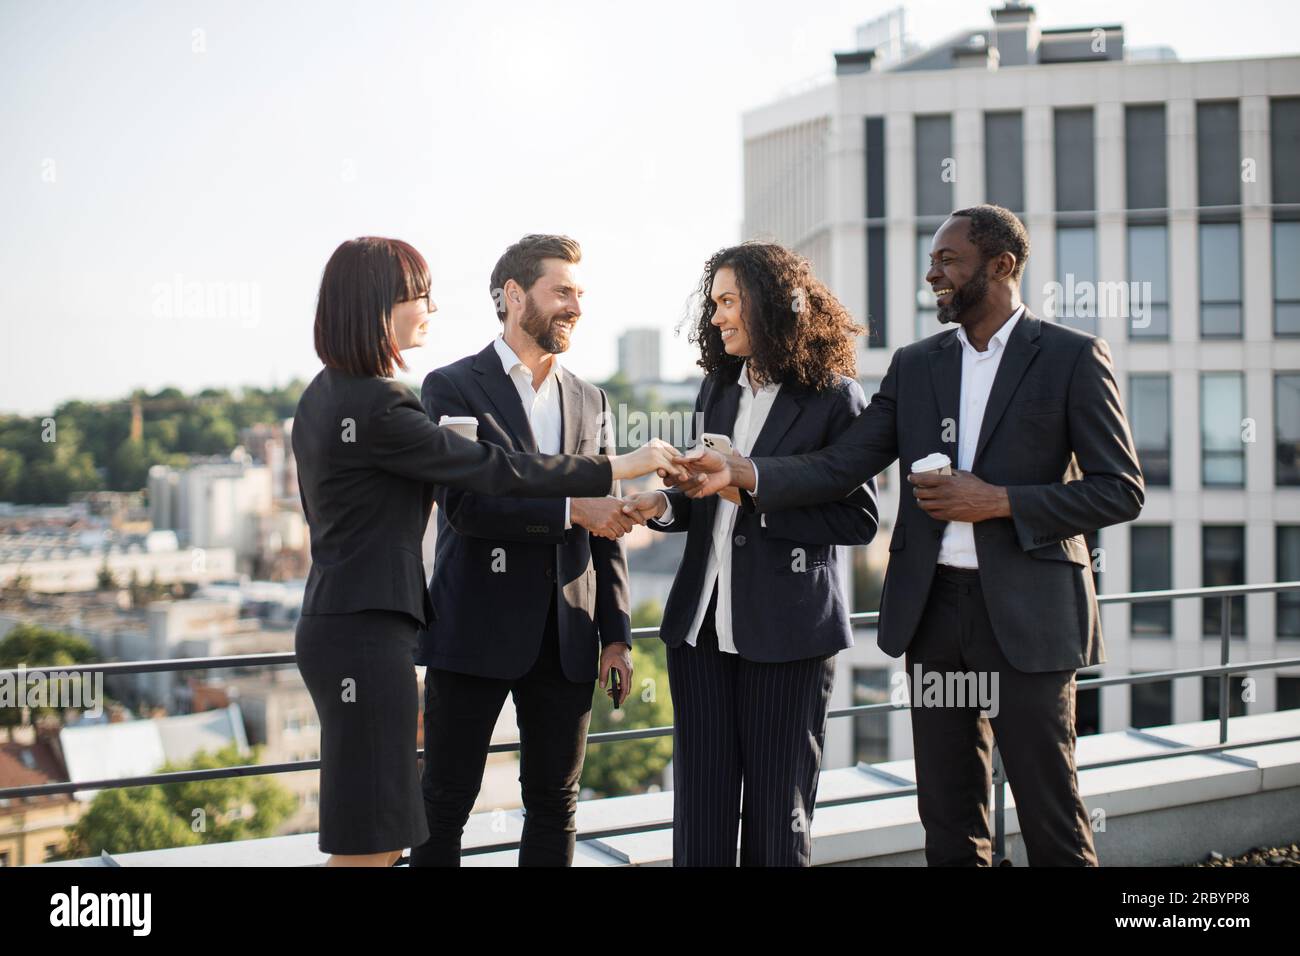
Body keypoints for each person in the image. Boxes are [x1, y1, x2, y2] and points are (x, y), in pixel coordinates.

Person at [670, 205, 1144, 866]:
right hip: (933, 614)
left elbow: (1120, 488)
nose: (933, 275)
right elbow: (841, 465)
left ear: (1003, 266)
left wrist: (998, 502)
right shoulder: (917, 365)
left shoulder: (1071, 357)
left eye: (949, 260)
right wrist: (746, 471)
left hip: (1030, 621)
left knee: (1050, 811)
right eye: (932, 261)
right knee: (948, 817)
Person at [292, 236, 681, 867]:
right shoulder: (401, 397)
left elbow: (564, 511)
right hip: (401, 633)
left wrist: (616, 629)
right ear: (513, 296)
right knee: (403, 827)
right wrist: (611, 470)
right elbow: (486, 479)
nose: (431, 308)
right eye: (419, 296)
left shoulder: (328, 394)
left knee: (386, 838)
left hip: (379, 626)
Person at [621, 241, 878, 866]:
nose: (716, 317)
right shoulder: (717, 390)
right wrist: (663, 504)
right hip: (700, 633)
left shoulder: (833, 398)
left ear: (767, 305)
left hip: (788, 636)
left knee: (776, 825)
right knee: (700, 825)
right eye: (714, 304)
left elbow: (860, 517)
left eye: (728, 302)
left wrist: (751, 485)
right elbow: (707, 503)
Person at [411, 235, 635, 867]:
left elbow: (607, 525)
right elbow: (465, 504)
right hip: (471, 631)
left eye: (579, 294)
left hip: (567, 636)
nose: (575, 307)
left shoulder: (591, 399)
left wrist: (615, 634)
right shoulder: (450, 387)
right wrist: (570, 507)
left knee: (554, 805)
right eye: (561, 291)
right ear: (513, 296)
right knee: (443, 805)